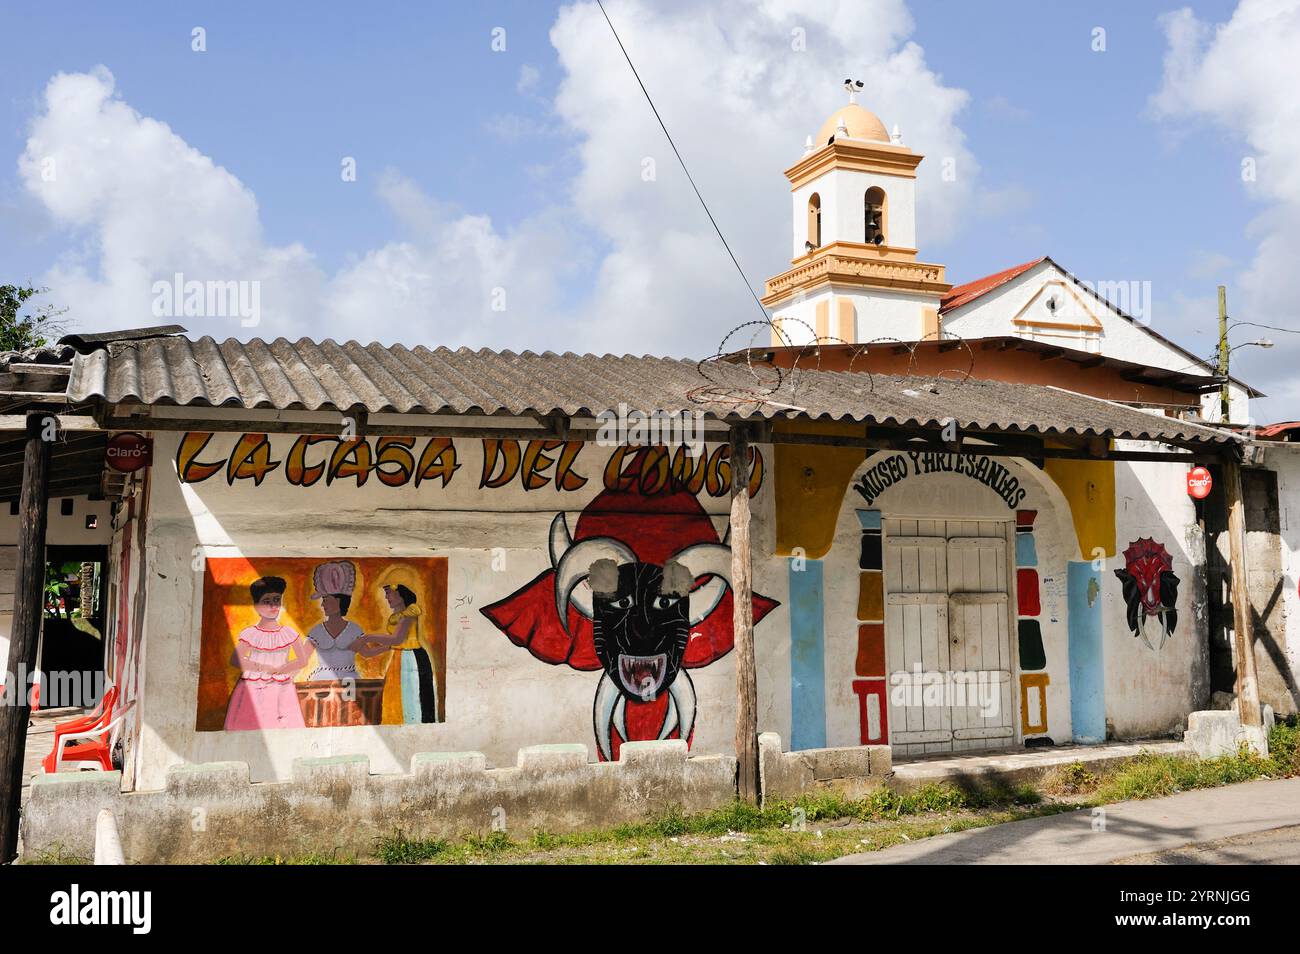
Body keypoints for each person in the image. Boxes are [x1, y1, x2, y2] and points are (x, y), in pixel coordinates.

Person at [224, 576, 311, 730]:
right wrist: (261, 666)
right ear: (256, 606)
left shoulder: (288, 632)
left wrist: (282, 669)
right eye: (266, 601)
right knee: (250, 726)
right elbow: (235, 659)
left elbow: (302, 661)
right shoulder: (251, 633)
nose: (273, 606)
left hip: (280, 687)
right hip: (252, 686)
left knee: (281, 727)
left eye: (277, 600)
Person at [359, 583, 439, 723]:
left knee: (412, 699)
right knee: (396, 698)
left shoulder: (410, 612)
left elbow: (397, 639)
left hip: (412, 658)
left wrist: (368, 637)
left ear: (401, 594)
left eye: (389, 593)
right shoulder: (396, 616)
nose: (387, 597)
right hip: (399, 658)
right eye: (386, 594)